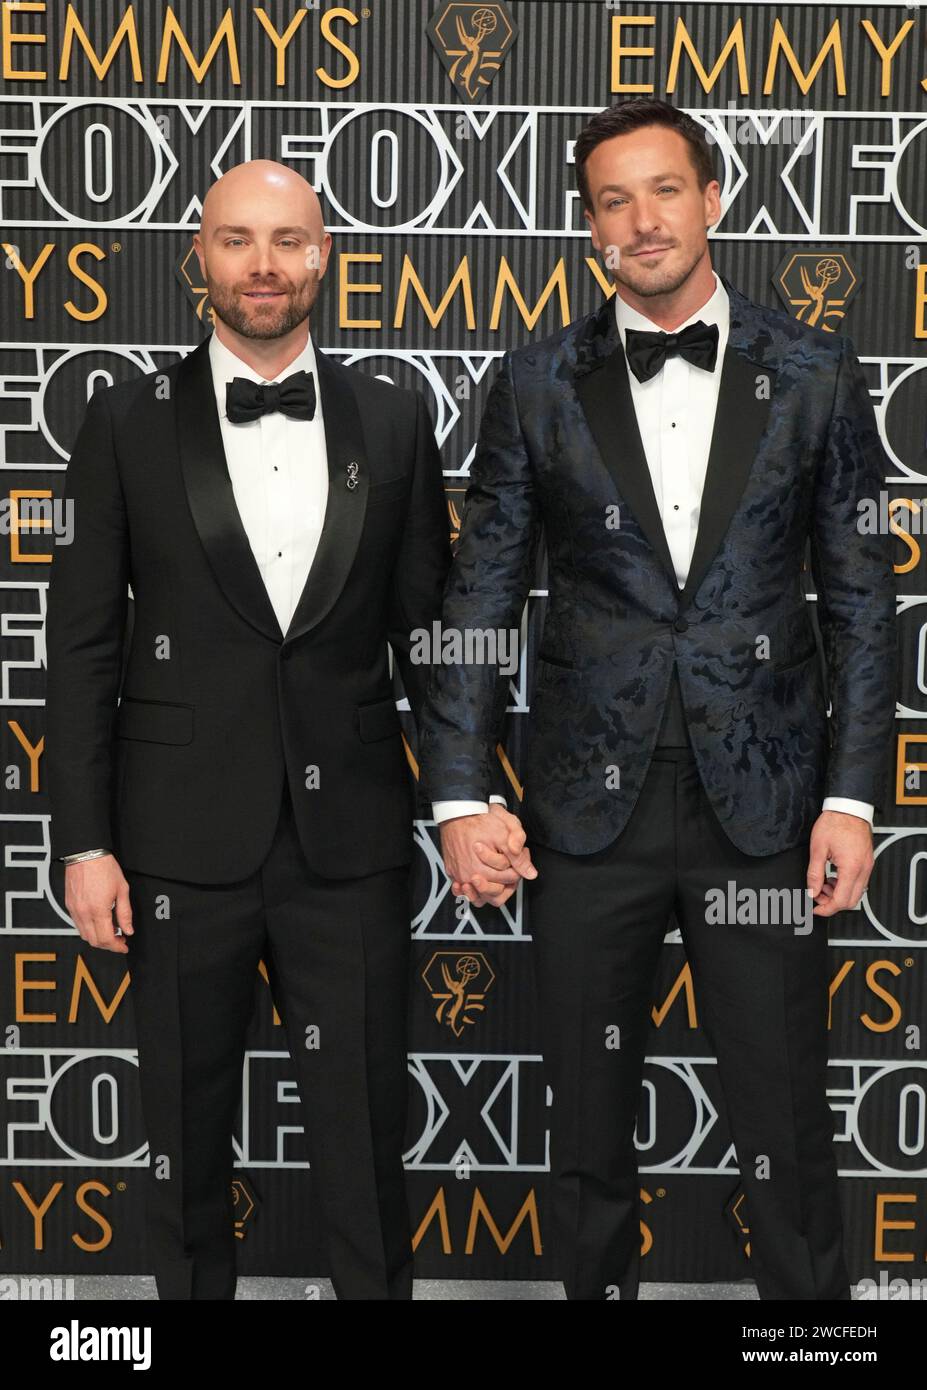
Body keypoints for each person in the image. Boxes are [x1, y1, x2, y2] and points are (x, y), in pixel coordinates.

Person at [419, 99, 897, 1300]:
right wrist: (463, 794)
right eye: (614, 202)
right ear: (588, 230)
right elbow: (479, 599)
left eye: (665, 190)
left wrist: (850, 796)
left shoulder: (816, 373)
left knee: (786, 1122)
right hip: (586, 815)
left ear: (713, 199)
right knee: (585, 1126)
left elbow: (862, 604)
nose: (644, 221)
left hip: (768, 809)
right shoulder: (533, 385)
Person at [45, 159, 469, 1300]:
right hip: (176, 843)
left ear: (327, 254)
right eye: (237, 239)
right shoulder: (126, 420)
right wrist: (83, 841)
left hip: (354, 843)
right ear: (200, 257)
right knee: (181, 1134)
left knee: (368, 1134)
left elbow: (430, 636)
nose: (265, 265)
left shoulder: (391, 417)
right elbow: (81, 645)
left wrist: (467, 799)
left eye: (287, 239)